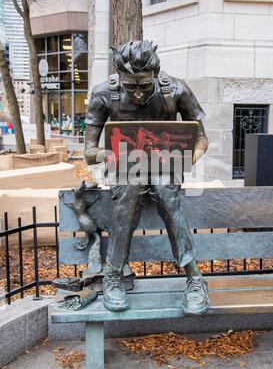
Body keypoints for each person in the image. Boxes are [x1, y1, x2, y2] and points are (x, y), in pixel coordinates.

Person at [84, 40, 209, 315]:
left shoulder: (176, 89)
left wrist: (185, 158)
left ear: (156, 74)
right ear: (119, 77)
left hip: (166, 166)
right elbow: (89, 152)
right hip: (125, 168)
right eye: (131, 86)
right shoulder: (103, 94)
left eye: (144, 85)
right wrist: (114, 155)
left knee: (166, 192)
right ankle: (113, 276)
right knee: (131, 190)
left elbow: (201, 139)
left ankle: (195, 279)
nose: (138, 93)